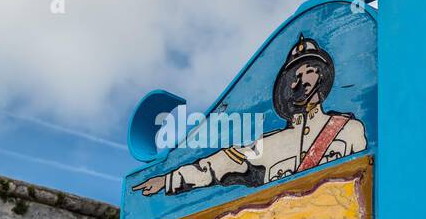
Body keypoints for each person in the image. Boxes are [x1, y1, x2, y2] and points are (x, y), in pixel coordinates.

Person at [133, 35, 366, 196]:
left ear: (322, 77)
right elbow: (219, 165)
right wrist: (167, 180)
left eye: (309, 71)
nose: (300, 81)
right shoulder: (269, 145)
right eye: (294, 75)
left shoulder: (349, 129)